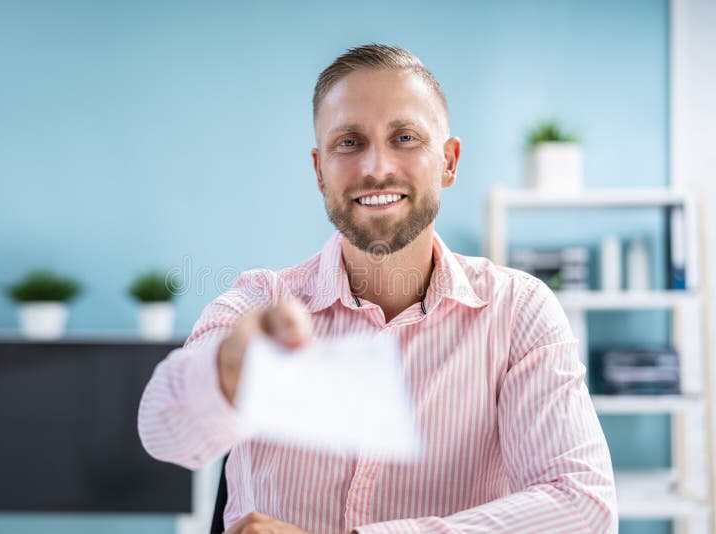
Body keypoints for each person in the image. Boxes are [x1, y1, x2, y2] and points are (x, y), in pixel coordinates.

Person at [138, 44, 617, 533]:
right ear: (319, 171)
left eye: (405, 137)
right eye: (348, 142)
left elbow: (583, 509)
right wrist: (225, 375)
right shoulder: (261, 300)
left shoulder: (519, 312)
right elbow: (163, 432)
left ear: (449, 161)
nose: (376, 167)